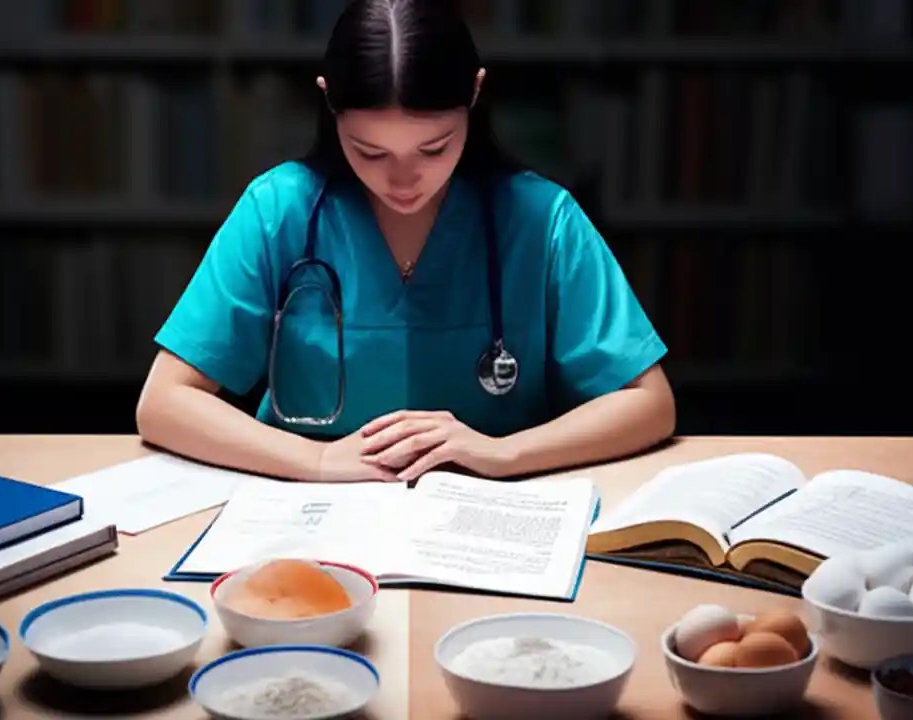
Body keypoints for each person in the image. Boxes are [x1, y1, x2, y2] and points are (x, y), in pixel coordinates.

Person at [137, 0, 674, 483]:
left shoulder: (542, 218)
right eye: (370, 152)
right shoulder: (278, 209)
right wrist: (318, 461)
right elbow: (163, 403)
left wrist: (503, 453)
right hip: (310, 509)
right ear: (329, 102)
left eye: (434, 148)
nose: (403, 180)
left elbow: (647, 403)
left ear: (476, 93)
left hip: (490, 505)